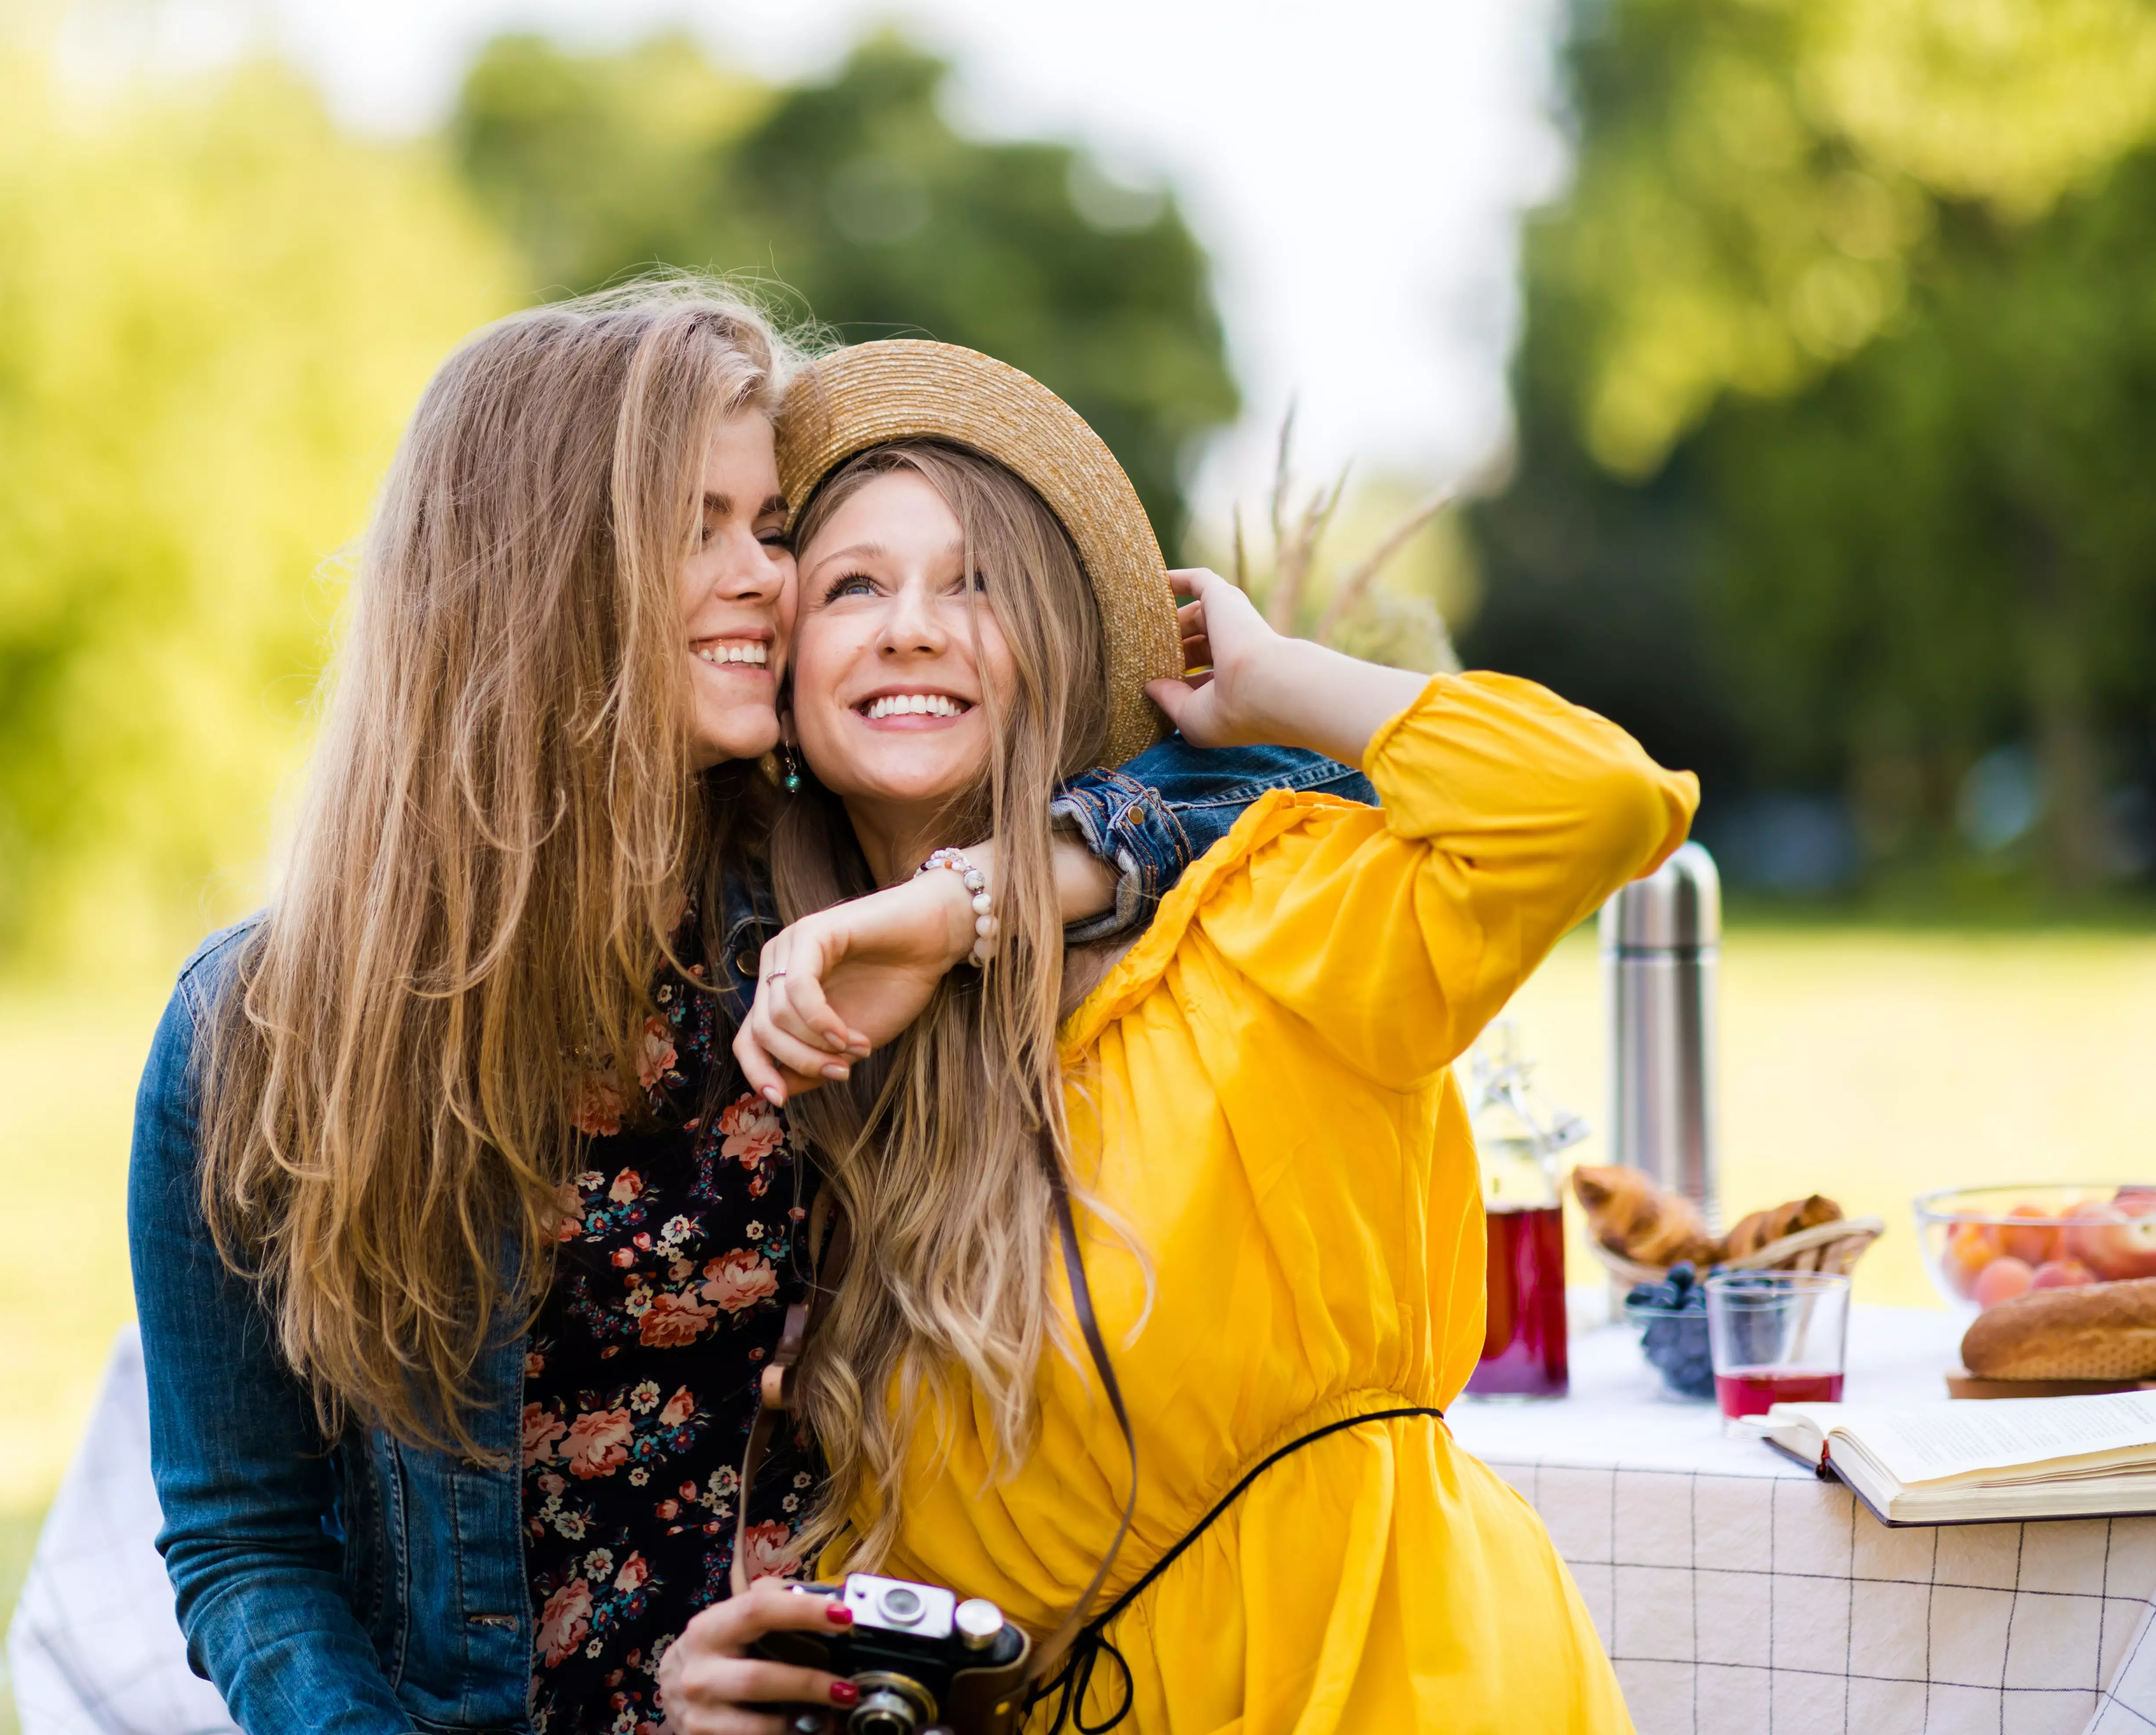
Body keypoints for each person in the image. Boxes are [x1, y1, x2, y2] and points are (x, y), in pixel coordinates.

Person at [125, 287, 1365, 1734]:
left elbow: (1311, 800)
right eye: (698, 526)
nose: (763, 578)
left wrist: (991, 892)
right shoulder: (258, 1035)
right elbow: (245, 1546)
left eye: (768, 528)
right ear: (531, 570)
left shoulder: (826, 920)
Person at [660, 341, 1688, 1733]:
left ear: (1060, 650)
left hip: (1402, 1679)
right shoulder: (813, 1073)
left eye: (978, 585)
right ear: (784, 680)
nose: (911, 626)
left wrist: (1275, 684)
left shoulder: (1253, 918)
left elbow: (1593, 802)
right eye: (853, 585)